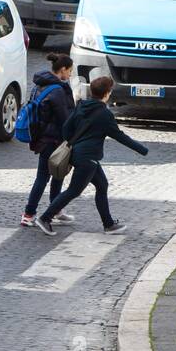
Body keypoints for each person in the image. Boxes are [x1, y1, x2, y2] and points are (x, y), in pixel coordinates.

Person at [35, 76, 147, 236]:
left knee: (102, 185)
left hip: (77, 154)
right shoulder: (104, 114)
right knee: (73, 190)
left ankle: (108, 224)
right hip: (88, 158)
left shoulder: (81, 106)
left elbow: (66, 128)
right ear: (107, 94)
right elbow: (119, 136)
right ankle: (45, 218)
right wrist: (142, 149)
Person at [20, 53, 78, 228]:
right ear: (62, 70)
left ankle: (55, 210)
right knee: (44, 177)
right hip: (53, 140)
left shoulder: (39, 85)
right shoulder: (58, 90)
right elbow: (64, 118)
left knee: (58, 175)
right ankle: (29, 214)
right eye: (70, 71)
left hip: (42, 138)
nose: (70, 75)